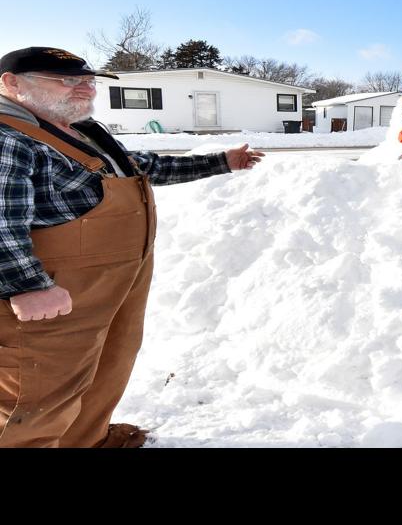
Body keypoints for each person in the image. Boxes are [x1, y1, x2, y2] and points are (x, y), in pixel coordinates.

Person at [0, 46, 264, 448]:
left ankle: (83, 440)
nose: (84, 89)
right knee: (37, 391)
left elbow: (141, 166)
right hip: (52, 289)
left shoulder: (80, 131)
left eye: (88, 82)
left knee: (107, 366)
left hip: (111, 281)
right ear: (11, 83)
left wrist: (221, 162)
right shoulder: (9, 138)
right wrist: (26, 286)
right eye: (67, 81)